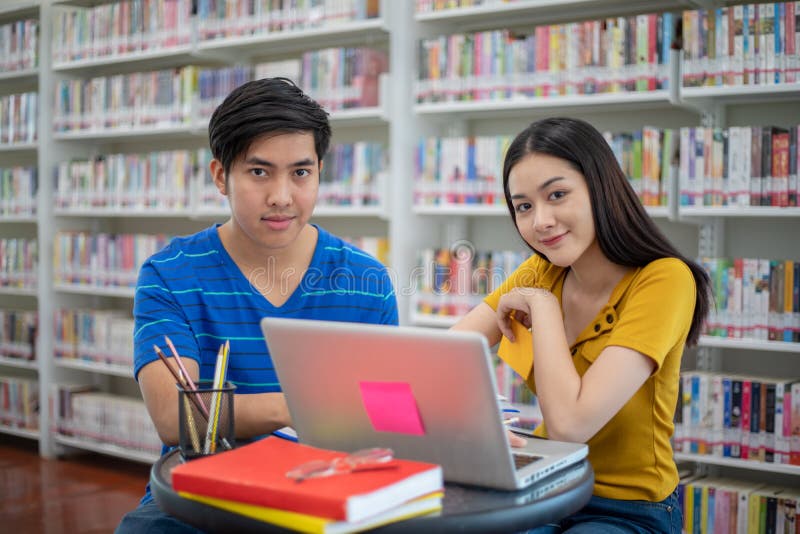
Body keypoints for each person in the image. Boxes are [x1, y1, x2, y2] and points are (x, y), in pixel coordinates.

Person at [116, 77, 398, 533]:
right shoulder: (169, 273)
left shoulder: (368, 281)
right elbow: (174, 418)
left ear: (320, 172)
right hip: (207, 491)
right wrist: (306, 406)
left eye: (301, 173)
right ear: (220, 176)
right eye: (259, 172)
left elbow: (382, 413)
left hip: (330, 484)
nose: (282, 196)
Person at [453, 117, 711, 533]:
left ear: (601, 188)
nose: (541, 221)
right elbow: (445, 357)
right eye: (524, 206)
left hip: (627, 508)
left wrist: (544, 309)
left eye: (557, 195)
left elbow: (572, 425)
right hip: (545, 484)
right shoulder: (542, 270)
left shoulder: (665, 279)